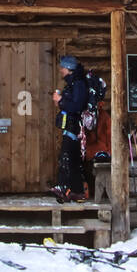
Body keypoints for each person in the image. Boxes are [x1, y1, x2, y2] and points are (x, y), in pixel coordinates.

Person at [51, 55, 88, 203]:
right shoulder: (72, 84)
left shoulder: (78, 84)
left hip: (75, 127)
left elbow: (77, 106)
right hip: (70, 126)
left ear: (69, 69)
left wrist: (61, 101)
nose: (61, 70)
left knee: (66, 157)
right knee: (72, 159)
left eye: (63, 67)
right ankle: (76, 191)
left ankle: (64, 187)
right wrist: (60, 103)